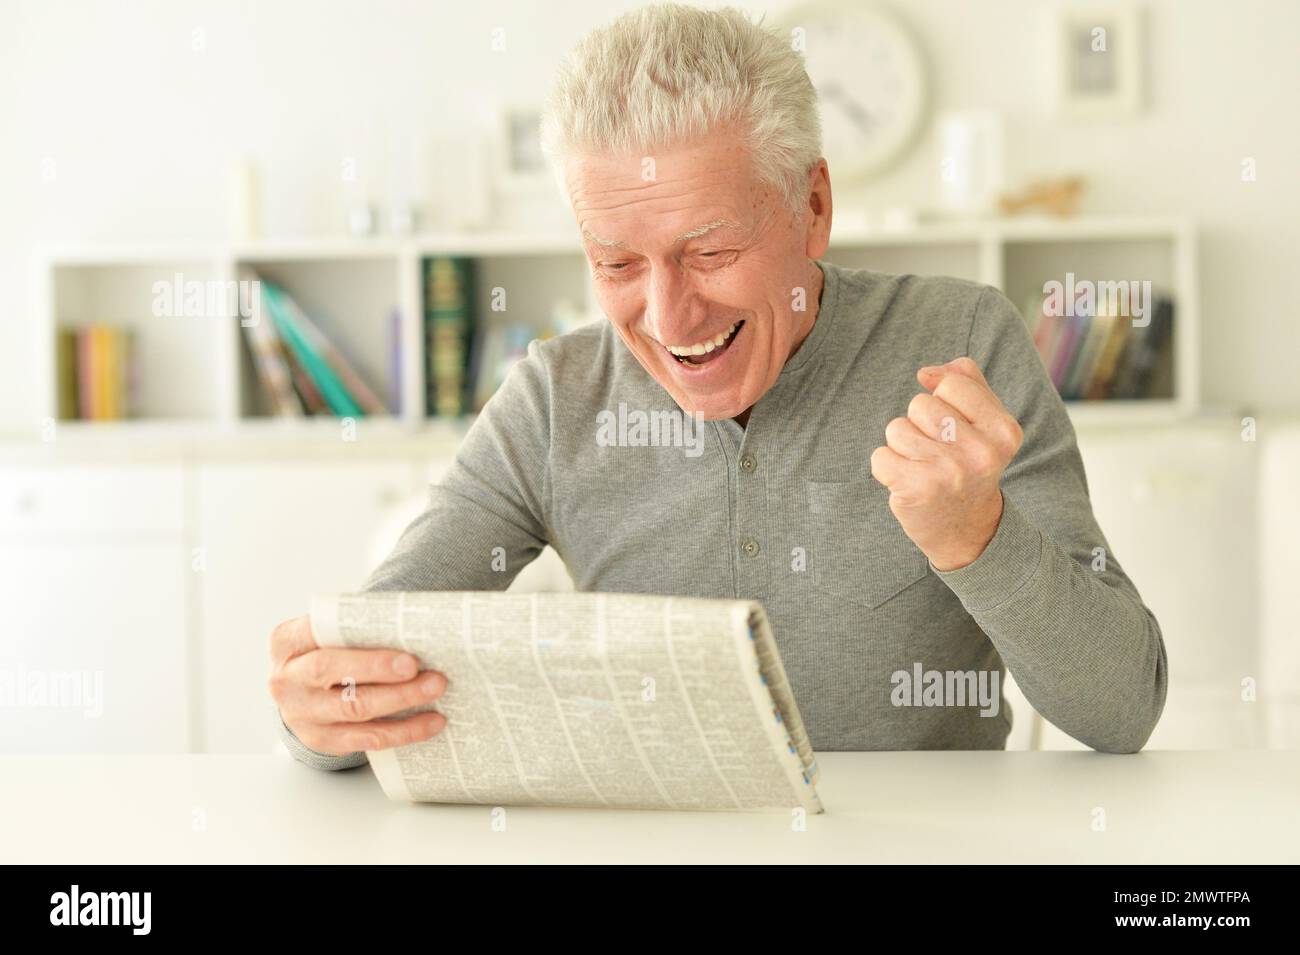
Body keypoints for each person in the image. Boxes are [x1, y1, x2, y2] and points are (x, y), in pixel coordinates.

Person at [269, 4, 1167, 770]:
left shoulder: (960, 344)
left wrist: (979, 538)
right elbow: (363, 676)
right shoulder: (555, 398)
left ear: (813, 208)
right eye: (617, 262)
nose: (669, 315)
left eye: (711, 252)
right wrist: (314, 715)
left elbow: (1123, 710)